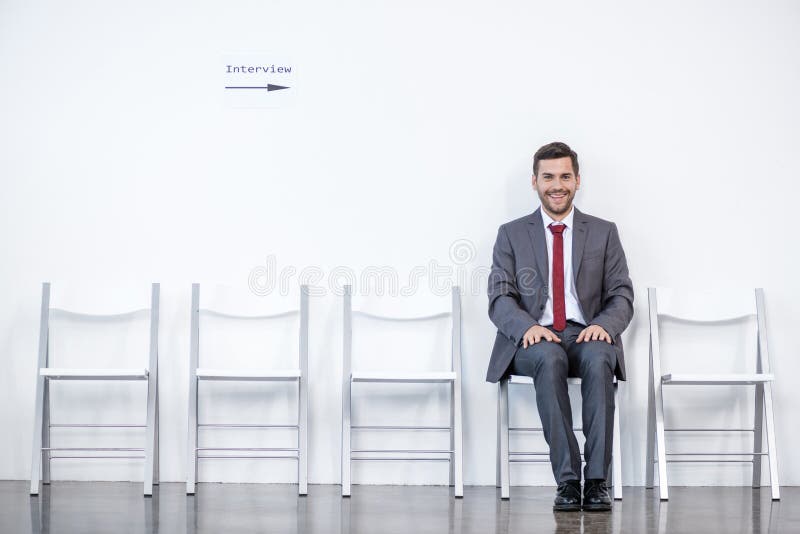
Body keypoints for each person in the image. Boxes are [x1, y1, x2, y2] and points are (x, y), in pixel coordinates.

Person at [486, 141, 633, 512]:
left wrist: (604, 324)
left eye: (565, 176)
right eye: (548, 176)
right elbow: (499, 297)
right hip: (533, 339)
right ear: (534, 181)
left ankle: (597, 480)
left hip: (585, 334)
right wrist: (525, 328)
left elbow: (621, 294)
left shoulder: (603, 232)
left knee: (602, 355)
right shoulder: (511, 234)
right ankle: (568, 482)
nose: (557, 184)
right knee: (548, 357)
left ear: (578, 180)